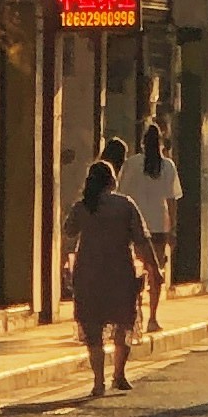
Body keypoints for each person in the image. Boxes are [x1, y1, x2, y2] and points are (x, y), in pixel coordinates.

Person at [61, 159, 162, 397]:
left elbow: (69, 231)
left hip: (89, 272)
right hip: (119, 271)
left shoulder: (83, 206)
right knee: (122, 323)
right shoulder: (125, 205)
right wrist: (154, 268)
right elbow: (142, 240)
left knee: (92, 327)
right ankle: (119, 374)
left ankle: (98, 381)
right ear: (112, 180)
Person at [118, 120, 179, 335]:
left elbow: (121, 194)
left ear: (143, 143)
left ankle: (135, 314)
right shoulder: (168, 166)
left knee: (134, 271)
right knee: (155, 273)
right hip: (158, 225)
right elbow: (172, 200)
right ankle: (152, 317)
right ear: (161, 143)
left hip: (134, 225)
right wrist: (172, 228)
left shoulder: (132, 164)